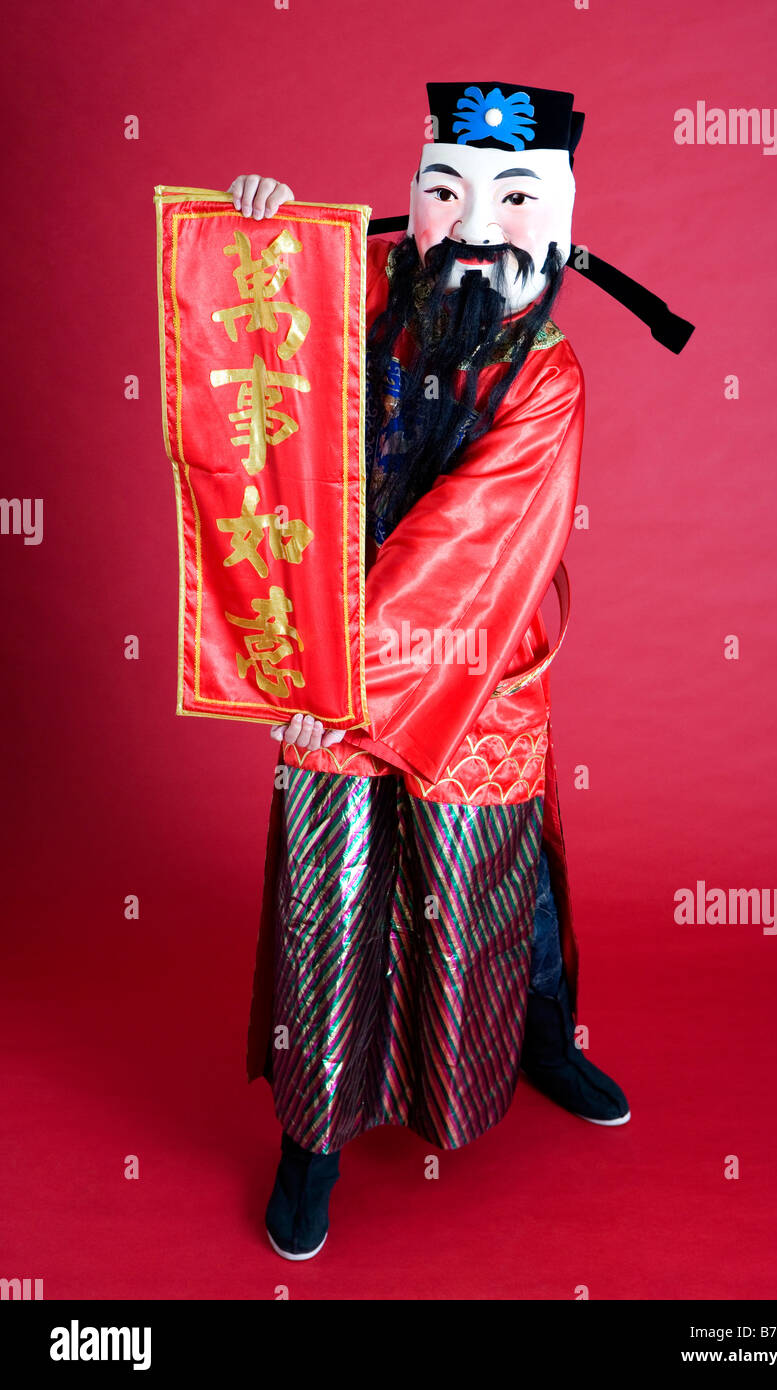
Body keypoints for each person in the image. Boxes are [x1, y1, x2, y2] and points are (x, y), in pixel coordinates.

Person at [234, 81, 629, 1264]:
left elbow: (466, 554)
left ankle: (538, 1035)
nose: (472, 227)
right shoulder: (357, 296)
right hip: (329, 663)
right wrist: (258, 241)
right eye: (445, 193)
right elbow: (252, 353)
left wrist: (337, 682)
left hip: (465, 662)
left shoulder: (546, 373)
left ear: (556, 224)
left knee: (492, 884)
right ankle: (310, 1142)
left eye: (513, 201)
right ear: (411, 204)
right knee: (330, 895)